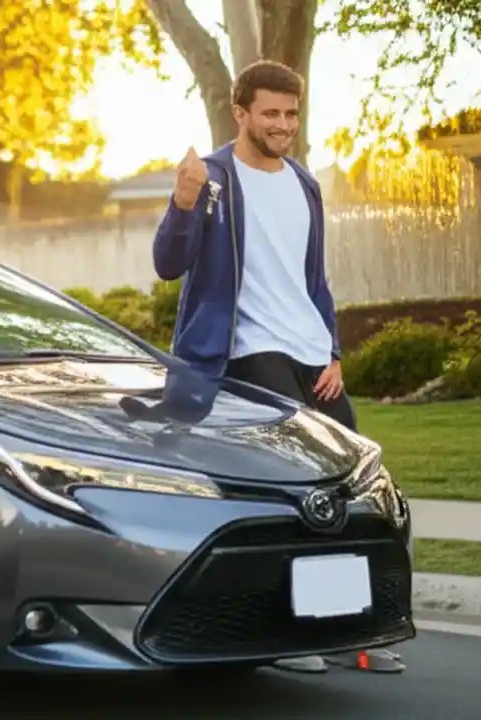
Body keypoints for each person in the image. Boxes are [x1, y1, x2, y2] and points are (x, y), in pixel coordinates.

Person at [151, 59, 405, 675]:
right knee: (292, 502)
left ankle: (352, 632)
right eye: (271, 113)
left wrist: (335, 349)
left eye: (291, 114)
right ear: (240, 114)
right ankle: (290, 636)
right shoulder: (211, 178)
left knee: (352, 495)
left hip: (313, 356)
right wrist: (182, 203)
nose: (283, 124)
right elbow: (168, 263)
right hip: (247, 354)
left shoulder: (303, 183)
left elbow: (313, 281)